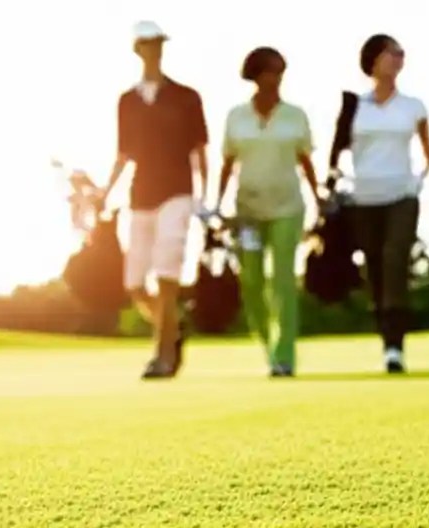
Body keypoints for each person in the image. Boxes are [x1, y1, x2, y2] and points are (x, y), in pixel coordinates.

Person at [100, 20, 210, 380]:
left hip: (178, 193)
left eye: (159, 43)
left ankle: (162, 357)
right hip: (141, 195)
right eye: (148, 44)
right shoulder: (127, 101)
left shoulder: (187, 96)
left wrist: (203, 197)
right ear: (138, 50)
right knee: (134, 283)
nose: (154, 49)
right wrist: (105, 193)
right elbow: (123, 154)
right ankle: (173, 328)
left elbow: (199, 150)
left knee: (166, 274)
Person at [213, 47, 321, 378]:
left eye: (279, 72)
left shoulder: (295, 115)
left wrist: (319, 199)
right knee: (251, 281)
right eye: (270, 72)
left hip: (288, 207)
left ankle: (284, 355)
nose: (276, 79)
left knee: (283, 280)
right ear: (255, 76)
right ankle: (267, 343)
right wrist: (217, 206)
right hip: (247, 211)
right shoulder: (236, 117)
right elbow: (228, 163)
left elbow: (305, 160)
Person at [333, 34, 429, 374]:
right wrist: (341, 182)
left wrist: (418, 180)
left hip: (402, 196)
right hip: (364, 198)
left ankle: (395, 345)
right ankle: (384, 335)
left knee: (395, 259)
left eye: (401, 53)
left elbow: (428, 153)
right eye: (393, 52)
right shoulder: (354, 106)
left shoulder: (413, 106)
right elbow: (337, 153)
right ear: (374, 60)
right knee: (374, 266)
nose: (398, 58)